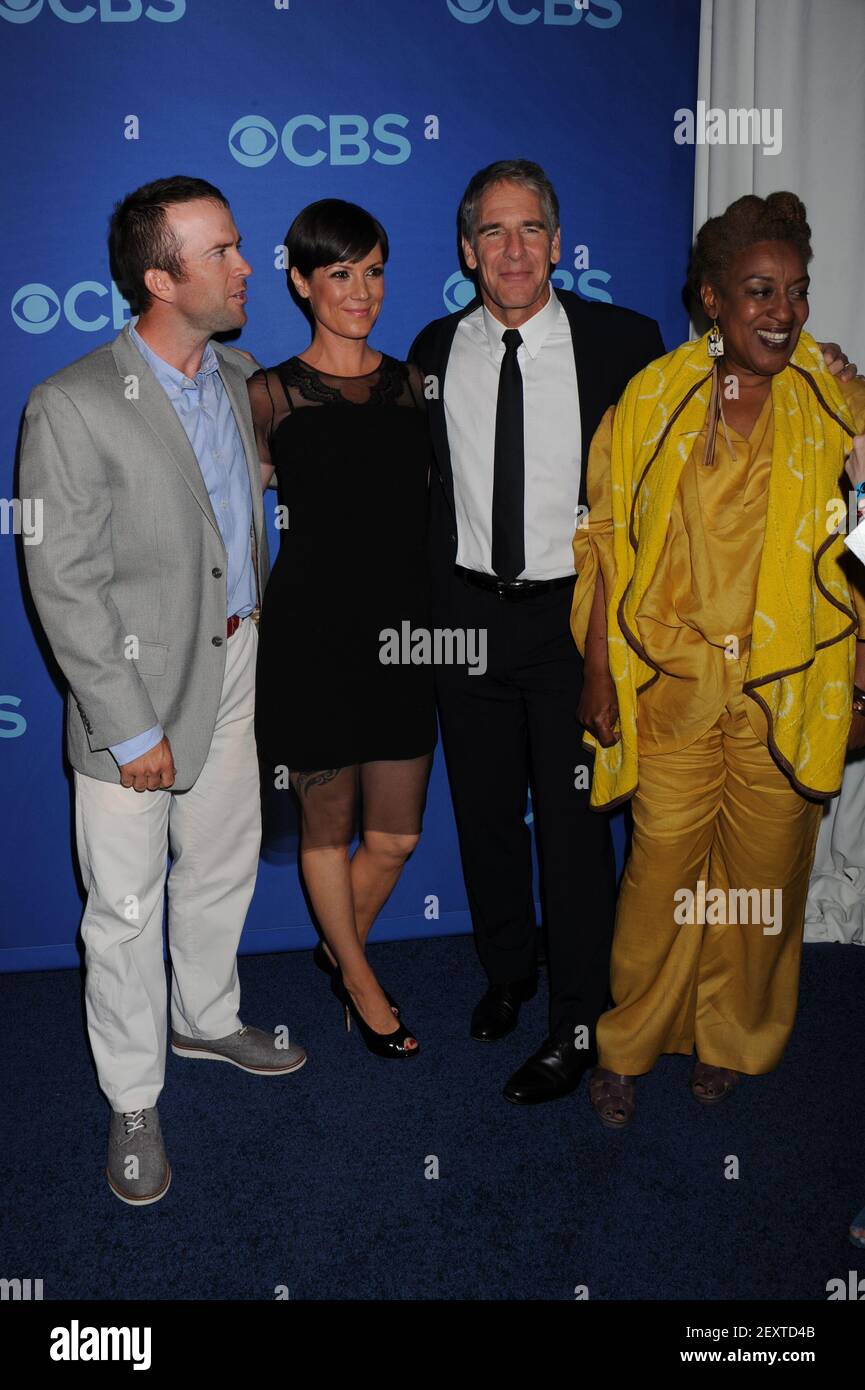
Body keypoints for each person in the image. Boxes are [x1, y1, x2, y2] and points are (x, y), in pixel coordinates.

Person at [20, 175, 306, 1206]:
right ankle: (133, 1098)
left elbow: (229, 509)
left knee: (223, 860)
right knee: (126, 909)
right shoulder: (71, 403)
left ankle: (206, 1015)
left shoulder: (236, 376)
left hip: (239, 661)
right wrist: (128, 725)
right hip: (131, 693)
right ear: (159, 277)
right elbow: (64, 582)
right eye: (222, 253)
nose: (247, 267)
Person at [572, 192, 865, 1128]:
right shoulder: (653, 401)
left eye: (796, 292)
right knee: (659, 874)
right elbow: (603, 540)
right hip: (676, 686)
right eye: (758, 291)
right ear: (710, 300)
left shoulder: (835, 398)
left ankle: (730, 1036)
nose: (782, 312)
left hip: (793, 687)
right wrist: (595, 668)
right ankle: (627, 1042)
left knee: (764, 877)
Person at [409, 159, 665, 1104]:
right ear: (467, 249)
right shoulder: (432, 351)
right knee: (481, 815)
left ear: (557, 244)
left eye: (529, 231)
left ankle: (578, 1019)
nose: (511, 250)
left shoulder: (624, 342)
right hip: (466, 620)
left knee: (571, 827)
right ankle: (508, 972)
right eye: (492, 232)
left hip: (575, 624)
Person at [249, 199, 434, 1060]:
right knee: (327, 829)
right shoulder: (268, 394)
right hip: (311, 640)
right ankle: (363, 986)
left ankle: (338, 945)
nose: (360, 291)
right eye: (339, 274)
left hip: (402, 638)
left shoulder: (412, 385)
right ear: (300, 281)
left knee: (396, 835)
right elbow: (227, 515)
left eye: (373, 271)